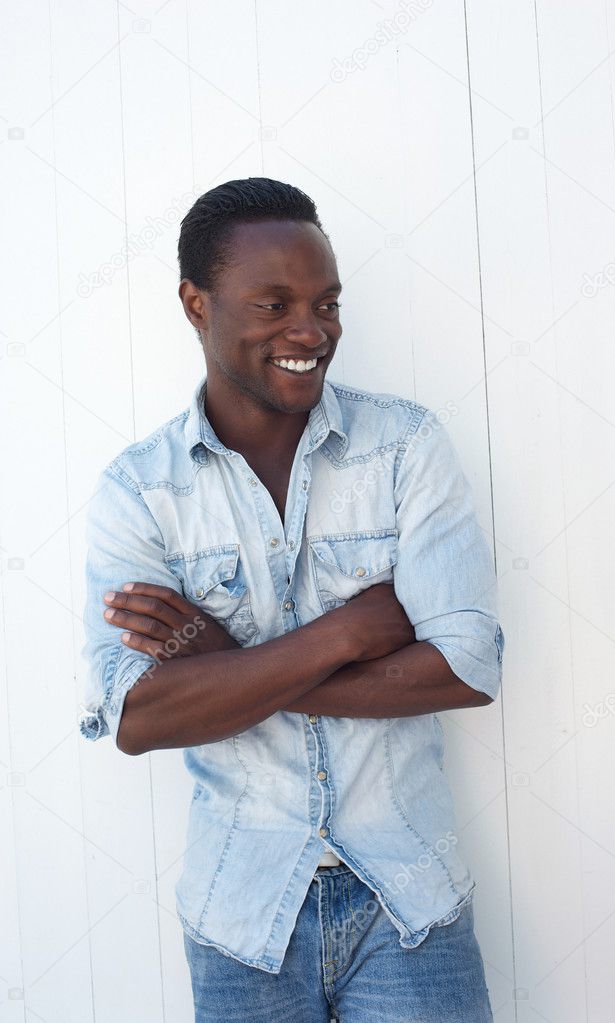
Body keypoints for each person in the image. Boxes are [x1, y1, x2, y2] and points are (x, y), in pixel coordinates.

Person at [79, 176, 504, 1022]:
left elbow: (465, 665)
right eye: (273, 305)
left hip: (410, 901)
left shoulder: (405, 447)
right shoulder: (140, 490)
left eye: (326, 304)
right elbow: (135, 718)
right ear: (197, 306)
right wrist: (348, 631)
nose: (310, 332)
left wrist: (227, 670)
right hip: (242, 916)